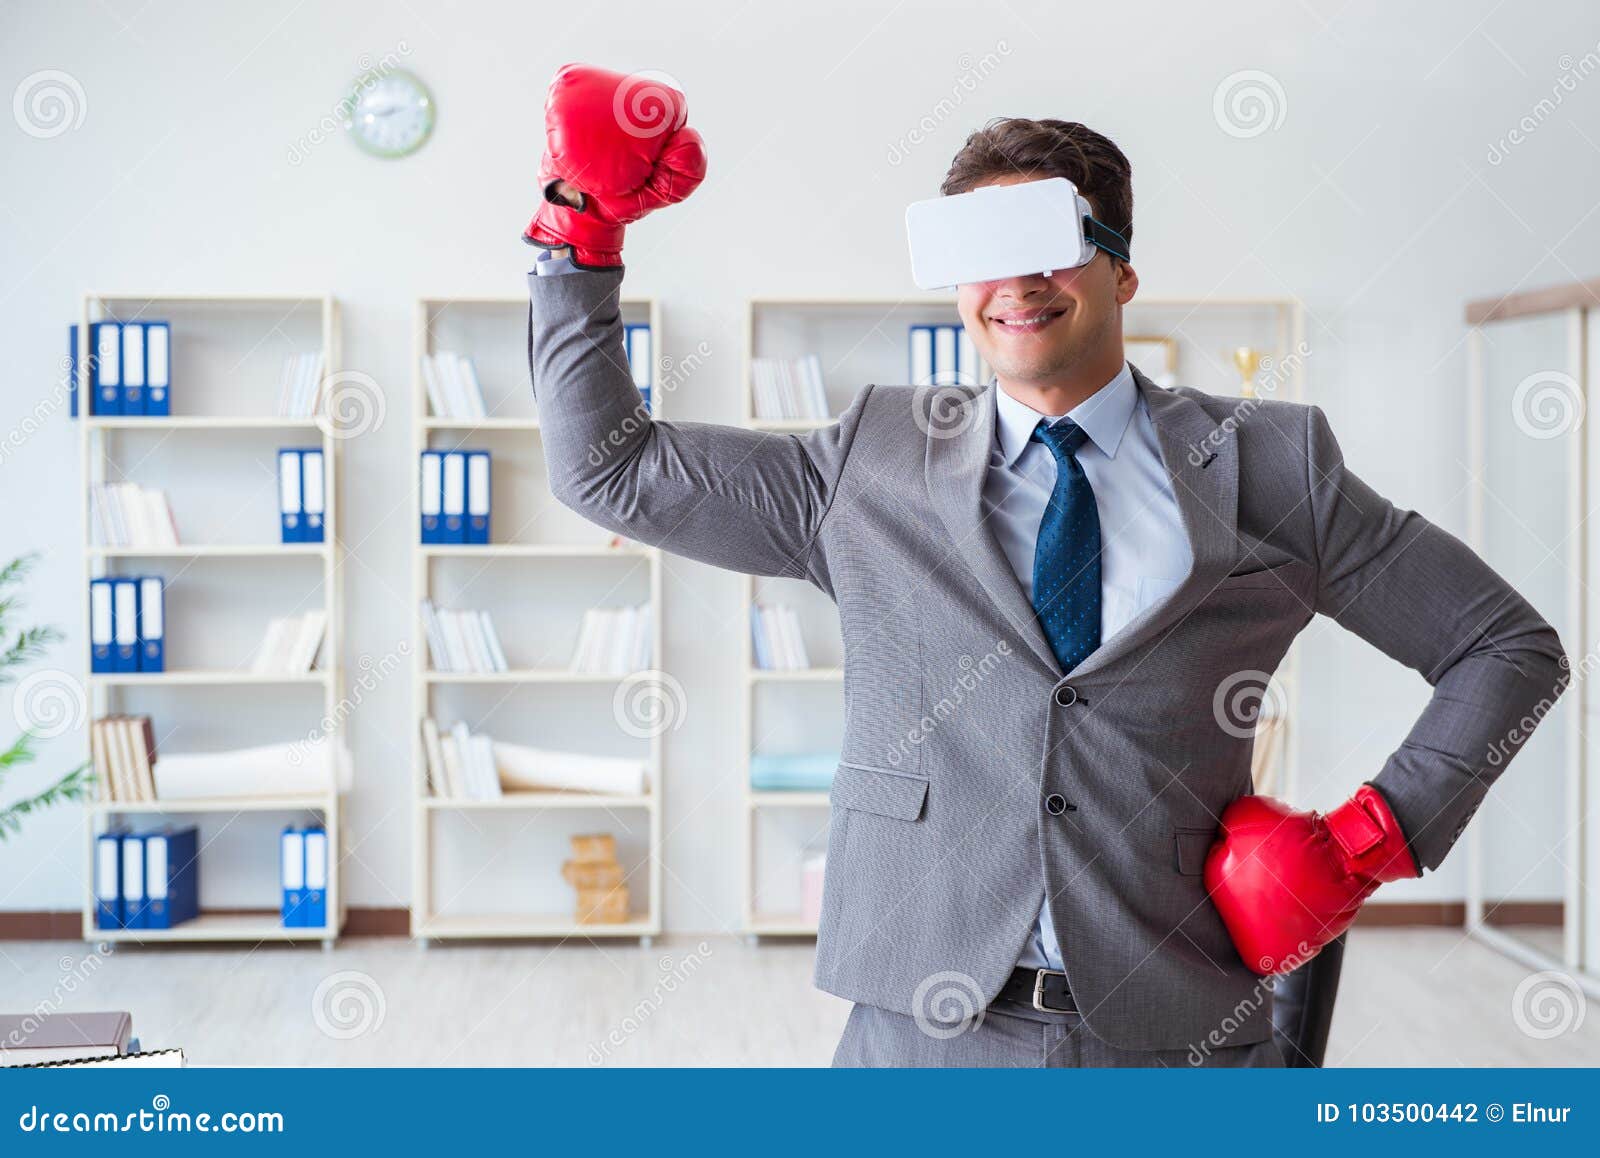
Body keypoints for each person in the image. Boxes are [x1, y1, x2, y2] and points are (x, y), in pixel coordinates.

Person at [522, 64, 1567, 1067]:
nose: (1016, 285)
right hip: (919, 1042)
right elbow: (609, 472)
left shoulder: (1264, 462)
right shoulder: (869, 462)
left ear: (1121, 270)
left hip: (1182, 1040)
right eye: (984, 251)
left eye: (1051, 248)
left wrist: (1367, 841)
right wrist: (577, 231)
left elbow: (1504, 646)